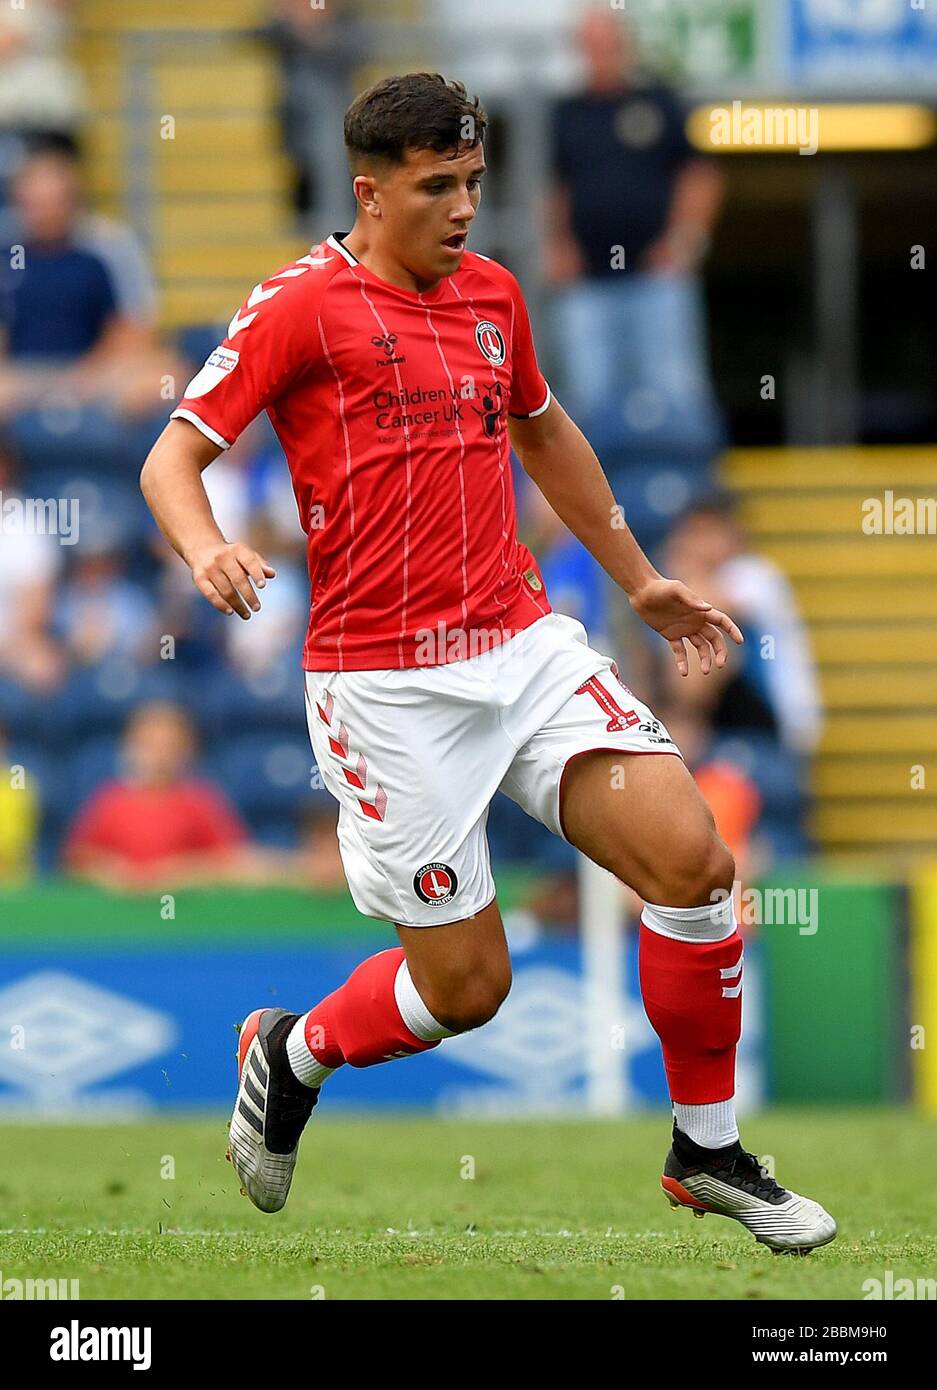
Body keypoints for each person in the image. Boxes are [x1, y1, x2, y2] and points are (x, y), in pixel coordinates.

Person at [140, 73, 835, 1252]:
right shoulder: (300, 306)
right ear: (369, 191)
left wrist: (639, 579)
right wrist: (207, 547)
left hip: (518, 645)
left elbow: (546, 430)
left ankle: (703, 1148)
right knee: (467, 990)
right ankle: (291, 1051)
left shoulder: (493, 296)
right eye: (436, 188)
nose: (464, 207)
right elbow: (174, 455)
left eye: (472, 182)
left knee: (693, 860)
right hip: (383, 687)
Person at [547, 8, 724, 453]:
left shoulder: (658, 102)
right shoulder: (567, 113)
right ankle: (597, 511)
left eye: (609, 43)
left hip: (657, 281)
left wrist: (685, 242)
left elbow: (701, 175)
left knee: (675, 393)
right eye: (593, 44)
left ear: (625, 46)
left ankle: (689, 499)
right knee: (588, 402)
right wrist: (558, 246)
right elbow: (554, 188)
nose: (602, 54)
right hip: (588, 285)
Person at [64, 701, 250, 891]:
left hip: (182, 911)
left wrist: (182, 872)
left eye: (170, 746)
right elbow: (77, 860)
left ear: (187, 750)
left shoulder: (200, 800)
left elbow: (231, 860)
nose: (160, 755)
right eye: (149, 744)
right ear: (130, 746)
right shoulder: (110, 801)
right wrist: (113, 873)